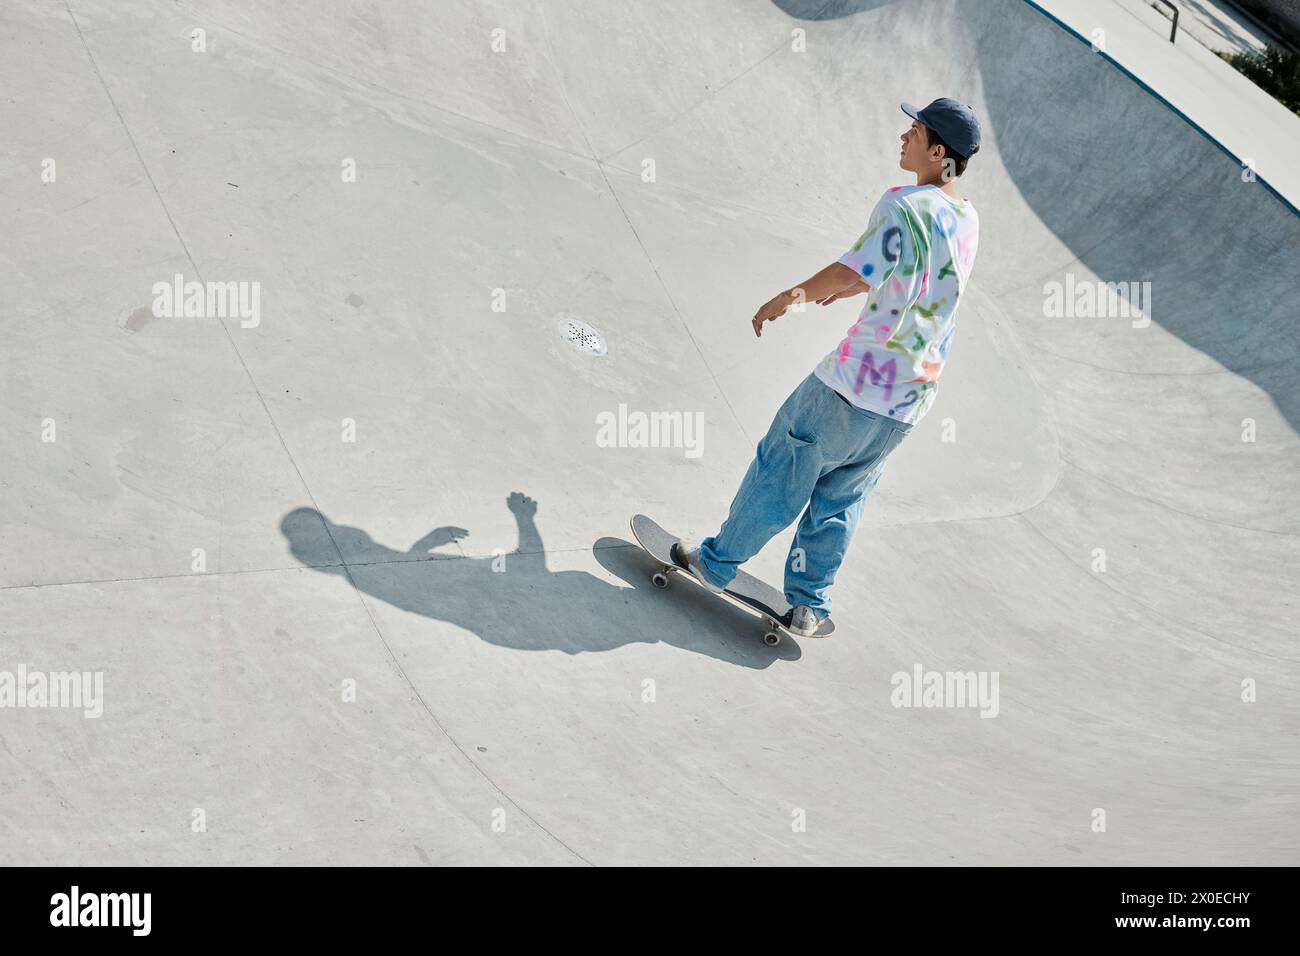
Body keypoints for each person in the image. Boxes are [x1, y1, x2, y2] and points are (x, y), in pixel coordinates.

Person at [674, 98, 983, 636]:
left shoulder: (903, 204)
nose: (903, 137)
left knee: (781, 468)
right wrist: (863, 287)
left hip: (851, 386)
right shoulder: (966, 217)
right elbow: (914, 272)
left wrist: (788, 297)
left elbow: (849, 269)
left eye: (915, 132)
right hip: (908, 403)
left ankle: (717, 563)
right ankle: (809, 604)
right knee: (842, 497)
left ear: (939, 152)